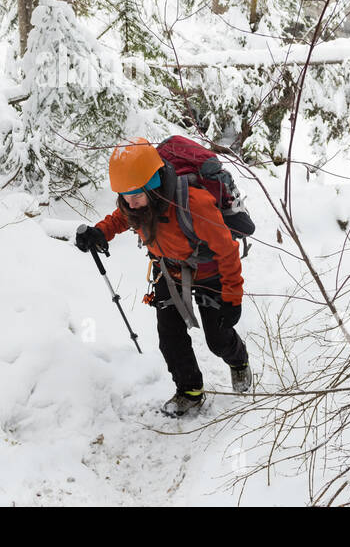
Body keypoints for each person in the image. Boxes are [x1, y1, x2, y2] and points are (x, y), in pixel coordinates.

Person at [75, 137, 251, 417]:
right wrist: (100, 231)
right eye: (125, 197)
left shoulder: (194, 203)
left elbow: (226, 250)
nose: (131, 204)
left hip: (209, 273)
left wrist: (232, 297)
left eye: (136, 196)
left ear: (154, 184)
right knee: (170, 338)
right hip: (168, 272)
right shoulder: (136, 202)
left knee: (218, 339)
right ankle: (190, 391)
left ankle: (239, 360)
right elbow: (122, 217)